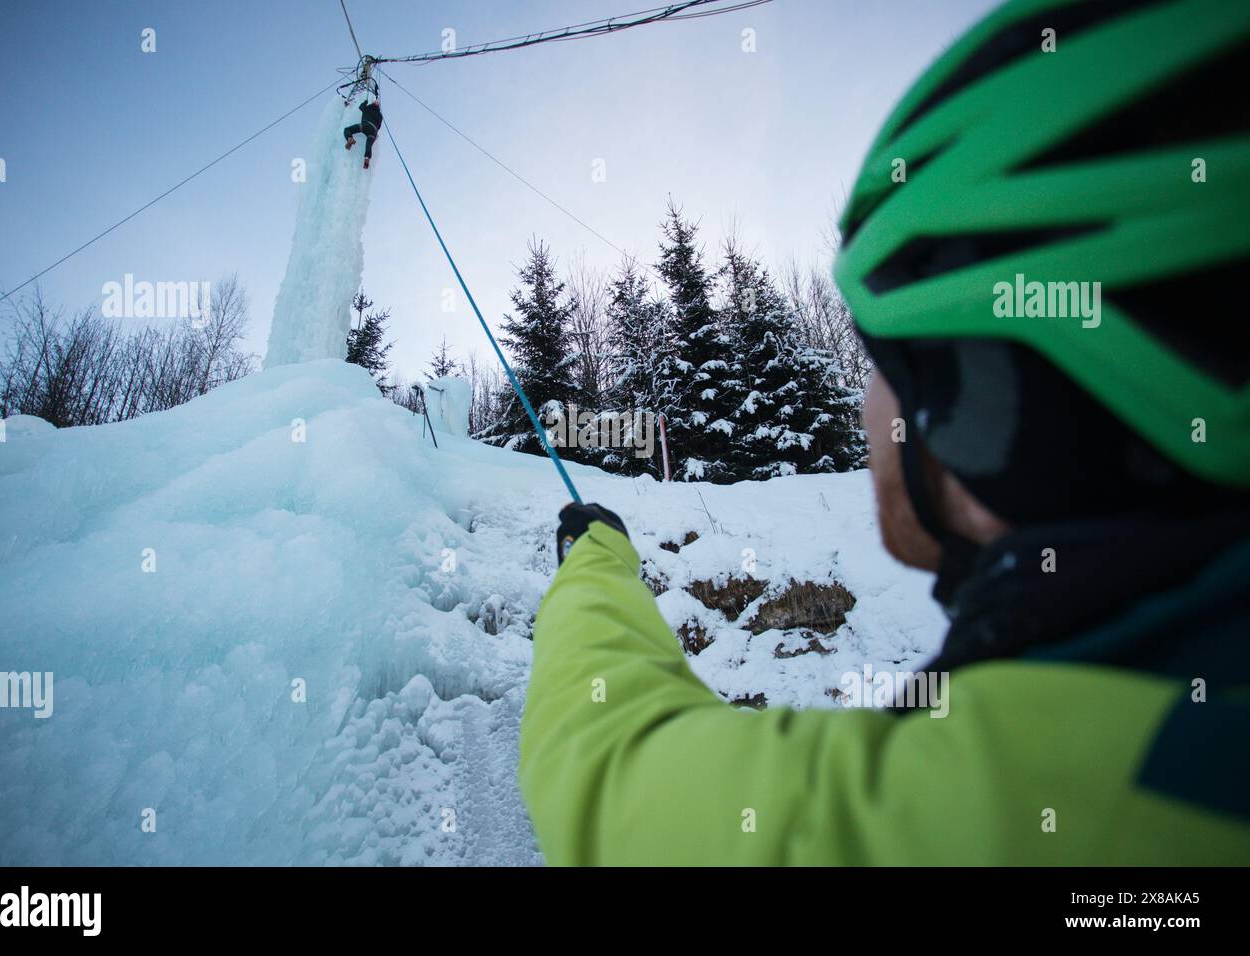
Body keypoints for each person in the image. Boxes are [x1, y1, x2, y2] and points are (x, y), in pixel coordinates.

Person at [518, 0, 1250, 865]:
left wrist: (598, 554)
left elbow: (610, 764)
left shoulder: (969, 815)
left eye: (884, 362)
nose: (865, 401)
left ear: (991, 409)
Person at [344, 96, 383, 170]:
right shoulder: (380, 116)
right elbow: (379, 126)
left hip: (364, 126)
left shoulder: (367, 108)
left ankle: (350, 138)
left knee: (347, 129)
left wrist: (365, 102)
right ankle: (367, 158)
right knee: (369, 145)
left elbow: (361, 107)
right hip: (373, 131)